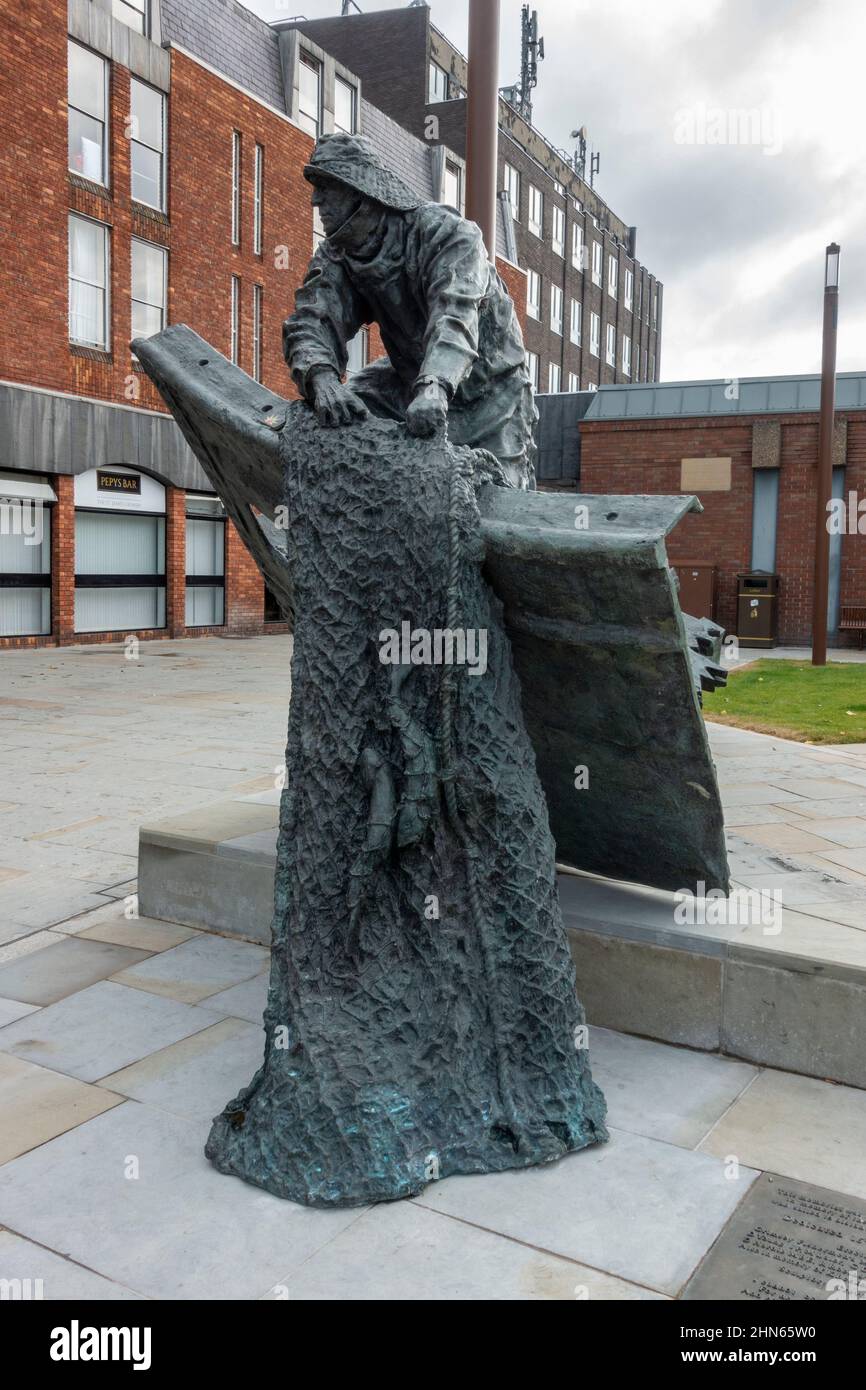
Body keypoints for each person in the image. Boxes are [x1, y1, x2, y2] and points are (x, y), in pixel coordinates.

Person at [282, 133, 537, 488]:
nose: (315, 200)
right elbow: (313, 318)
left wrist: (435, 384)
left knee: (494, 503)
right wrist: (321, 377)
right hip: (409, 380)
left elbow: (455, 314)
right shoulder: (338, 252)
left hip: (489, 391)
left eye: (326, 187)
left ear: (359, 189)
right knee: (336, 422)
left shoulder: (448, 235)